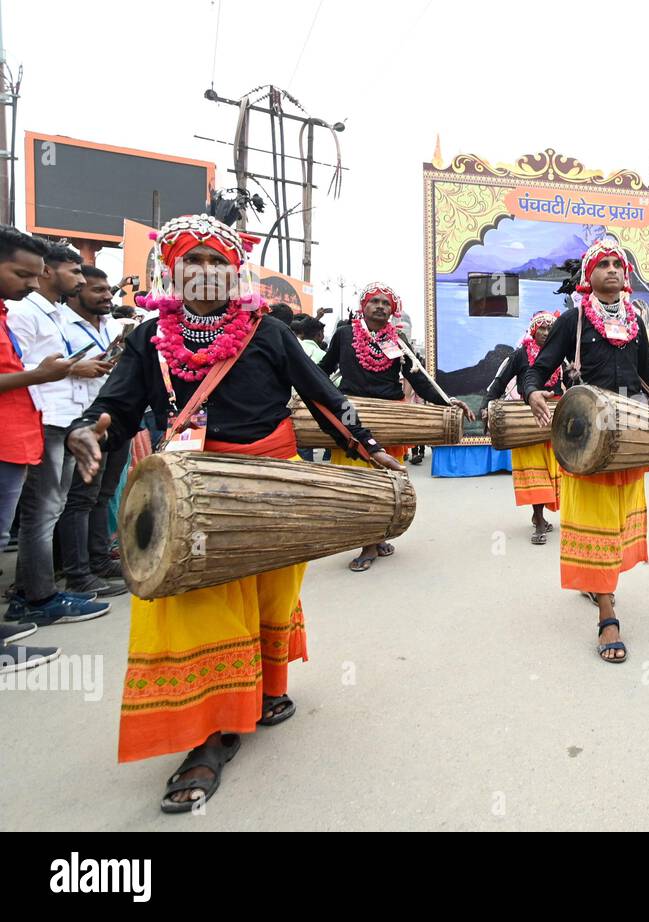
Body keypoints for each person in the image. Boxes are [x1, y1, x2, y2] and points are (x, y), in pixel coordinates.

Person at [64, 208, 402, 812]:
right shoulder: (149, 339)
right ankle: (208, 736)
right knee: (198, 606)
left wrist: (371, 451)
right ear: (171, 268)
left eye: (216, 260)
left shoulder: (269, 331)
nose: (203, 270)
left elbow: (322, 398)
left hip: (273, 476)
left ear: (235, 270)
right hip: (192, 486)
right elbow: (116, 404)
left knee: (270, 592)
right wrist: (92, 428)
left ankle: (266, 691)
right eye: (191, 260)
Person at [521, 237, 649, 663]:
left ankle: (599, 583)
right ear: (589, 277)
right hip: (584, 434)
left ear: (625, 276)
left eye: (617, 264)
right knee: (594, 517)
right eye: (603, 264)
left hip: (626, 437)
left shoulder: (635, 322)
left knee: (616, 517)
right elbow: (538, 368)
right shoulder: (572, 321)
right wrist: (533, 391)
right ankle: (608, 614)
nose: (612, 269)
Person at [320, 282, 473, 572]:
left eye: (386, 303)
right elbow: (323, 371)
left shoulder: (398, 341)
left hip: (391, 421)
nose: (380, 306)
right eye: (374, 301)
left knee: (387, 484)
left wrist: (447, 401)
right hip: (353, 420)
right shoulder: (343, 335)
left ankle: (373, 541)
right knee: (359, 486)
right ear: (363, 306)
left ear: (393, 311)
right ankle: (370, 540)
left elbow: (419, 380)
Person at [5, 243, 113, 626]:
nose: (82, 279)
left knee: (51, 510)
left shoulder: (50, 313)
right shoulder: (21, 311)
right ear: (49, 272)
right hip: (43, 418)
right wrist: (71, 369)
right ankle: (37, 596)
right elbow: (17, 366)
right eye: (74, 272)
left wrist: (78, 367)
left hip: (66, 417)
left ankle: (33, 591)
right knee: (42, 512)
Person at [0, 227, 75, 672]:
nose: (31, 283)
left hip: (18, 437)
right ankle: (34, 599)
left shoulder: (6, 311)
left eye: (36, 274)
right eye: (22, 274)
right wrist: (38, 376)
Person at [54, 265, 129, 597]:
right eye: (98, 290)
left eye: (108, 291)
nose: (107, 296)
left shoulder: (111, 325)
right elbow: (43, 368)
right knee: (78, 500)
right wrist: (75, 367)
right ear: (77, 291)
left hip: (118, 419)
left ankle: (99, 561)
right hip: (80, 420)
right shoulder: (61, 323)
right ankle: (77, 573)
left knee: (103, 495)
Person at [485, 310, 564, 544]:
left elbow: (570, 383)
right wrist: (485, 405)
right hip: (526, 419)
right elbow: (499, 381)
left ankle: (539, 515)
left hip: (553, 420)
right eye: (542, 328)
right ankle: (539, 522)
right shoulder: (520, 355)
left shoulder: (561, 355)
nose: (546, 332)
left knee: (551, 473)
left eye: (550, 329)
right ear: (532, 330)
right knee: (534, 472)